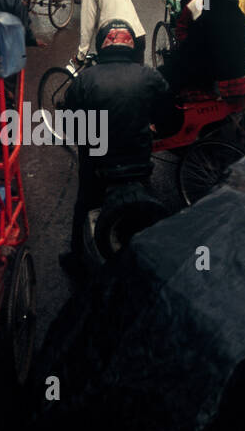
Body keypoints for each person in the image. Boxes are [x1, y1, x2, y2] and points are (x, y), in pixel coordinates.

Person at [60, 21, 172, 274]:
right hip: (139, 163)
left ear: (102, 46)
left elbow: (70, 126)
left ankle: (77, 257)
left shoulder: (84, 79)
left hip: (98, 165)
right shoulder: (150, 76)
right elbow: (168, 117)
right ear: (131, 46)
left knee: (85, 203)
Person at [165, 0, 245, 89]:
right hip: (237, 72)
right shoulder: (241, 18)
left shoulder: (205, 21)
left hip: (209, 75)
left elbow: (189, 48)